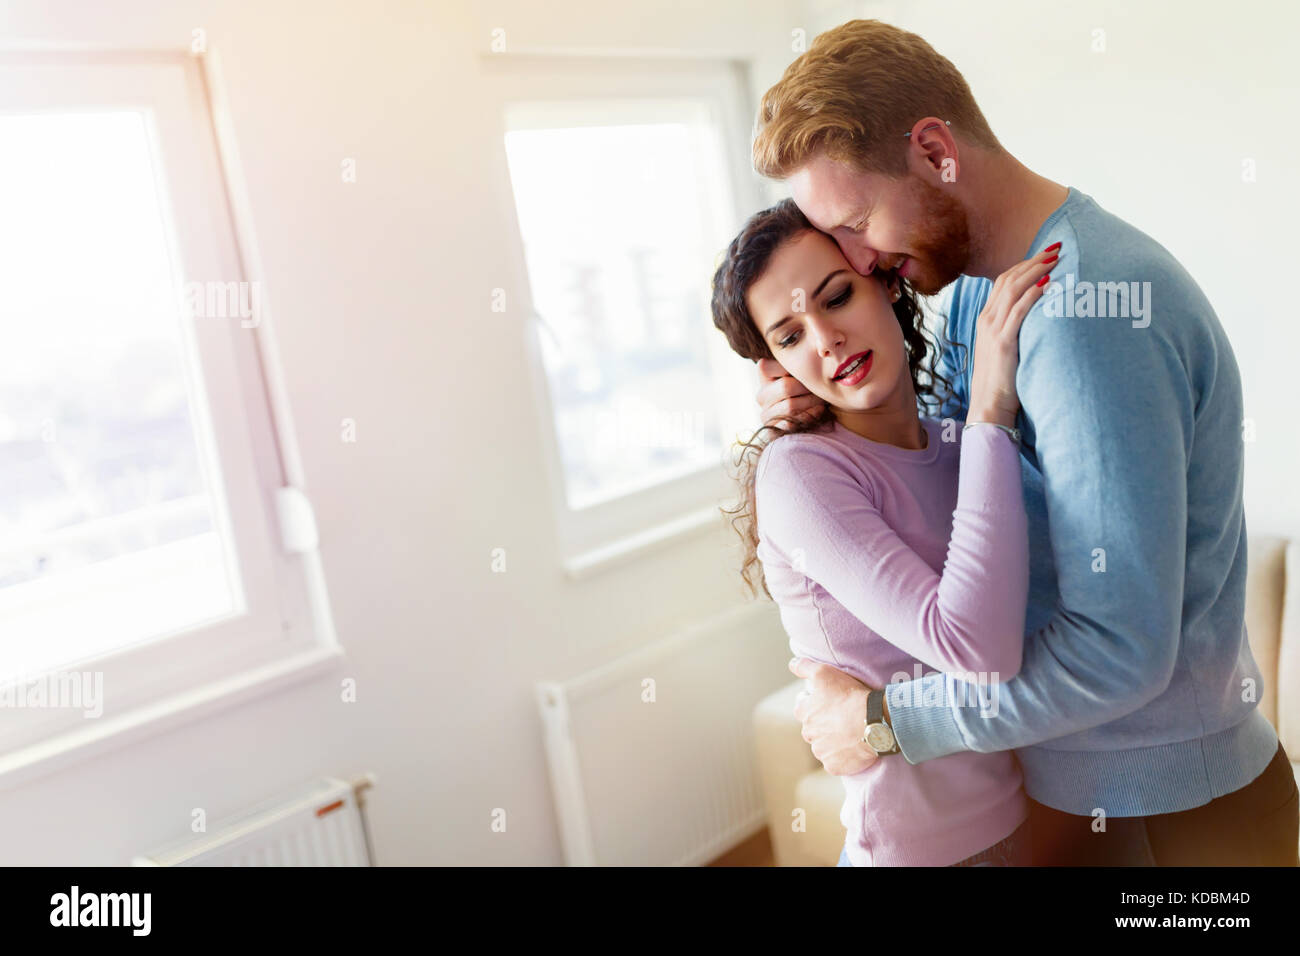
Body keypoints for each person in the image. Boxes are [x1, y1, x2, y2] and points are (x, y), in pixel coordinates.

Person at [750, 18, 1297, 865]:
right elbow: (959, 475)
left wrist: (887, 724)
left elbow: (1120, 657)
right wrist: (815, 402)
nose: (859, 259)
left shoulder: (1083, 313)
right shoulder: (977, 293)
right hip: (1081, 793)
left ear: (935, 151)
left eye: (857, 221)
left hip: (1173, 814)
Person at [711, 195, 1059, 865]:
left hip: (1024, 825)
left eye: (836, 296)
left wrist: (981, 424)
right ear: (776, 369)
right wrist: (992, 403)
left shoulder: (960, 446)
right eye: (789, 335)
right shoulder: (800, 473)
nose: (825, 339)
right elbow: (978, 652)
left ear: (886, 282)